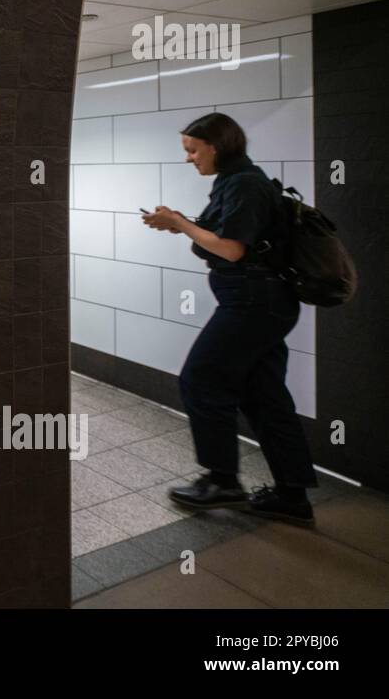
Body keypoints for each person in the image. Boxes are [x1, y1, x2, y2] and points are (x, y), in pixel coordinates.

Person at [141, 112, 318, 526]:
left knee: (200, 379)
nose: (189, 159)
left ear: (215, 146)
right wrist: (181, 224)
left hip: (253, 303)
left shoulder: (245, 183)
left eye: (192, 150)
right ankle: (292, 497)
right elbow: (225, 236)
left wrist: (181, 224)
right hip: (262, 302)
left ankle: (222, 481)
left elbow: (233, 249)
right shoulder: (235, 181)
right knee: (264, 396)